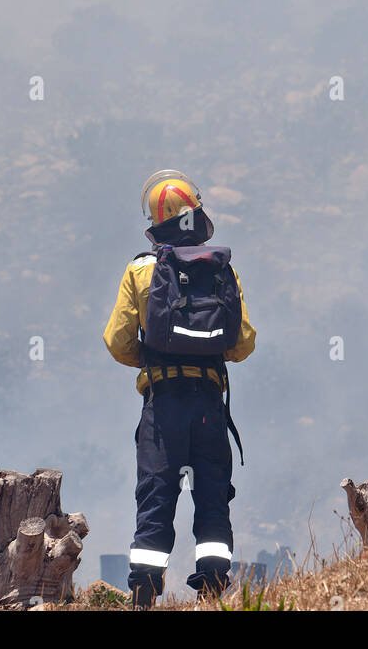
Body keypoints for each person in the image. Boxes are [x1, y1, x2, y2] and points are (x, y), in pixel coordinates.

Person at [103, 170, 256, 609]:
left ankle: (145, 596)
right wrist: (206, 355)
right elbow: (243, 343)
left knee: (155, 498)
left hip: (162, 408)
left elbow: (118, 342)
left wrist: (155, 360)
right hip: (208, 407)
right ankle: (212, 591)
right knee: (212, 498)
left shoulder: (140, 270)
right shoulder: (222, 269)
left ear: (155, 220)